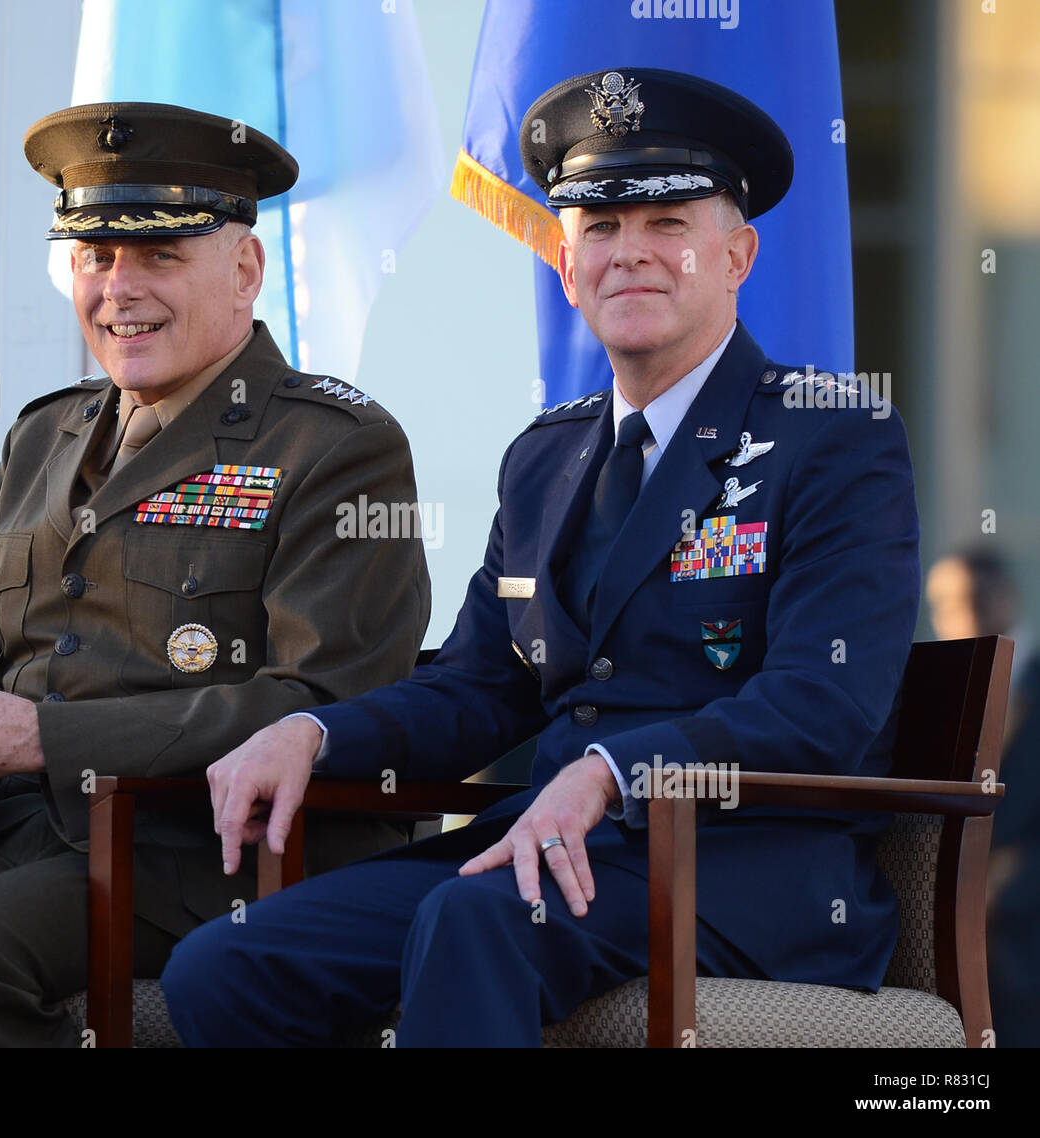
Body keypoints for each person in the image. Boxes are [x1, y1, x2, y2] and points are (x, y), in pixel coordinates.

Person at [160, 68, 922, 1047]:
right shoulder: (547, 456)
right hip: (551, 849)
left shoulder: (832, 433)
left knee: (475, 921)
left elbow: (825, 706)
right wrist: (315, 738)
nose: (629, 255)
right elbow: (481, 687)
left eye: (667, 225)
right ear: (566, 267)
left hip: (745, 864)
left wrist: (612, 769)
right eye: (599, 230)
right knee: (229, 962)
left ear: (736, 255)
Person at [0, 102, 431, 1046]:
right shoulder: (44, 433)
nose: (119, 288)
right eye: (95, 255)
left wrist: (41, 740)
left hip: (204, 855)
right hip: (6, 838)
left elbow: (322, 705)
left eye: (158, 255)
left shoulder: (335, 448)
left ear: (246, 270)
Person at [926, 547, 1040, 1046]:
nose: (963, 614)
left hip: (1024, 931)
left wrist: (1007, 885)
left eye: (975, 598)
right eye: (946, 603)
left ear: (1008, 596)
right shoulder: (930, 695)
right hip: (945, 938)